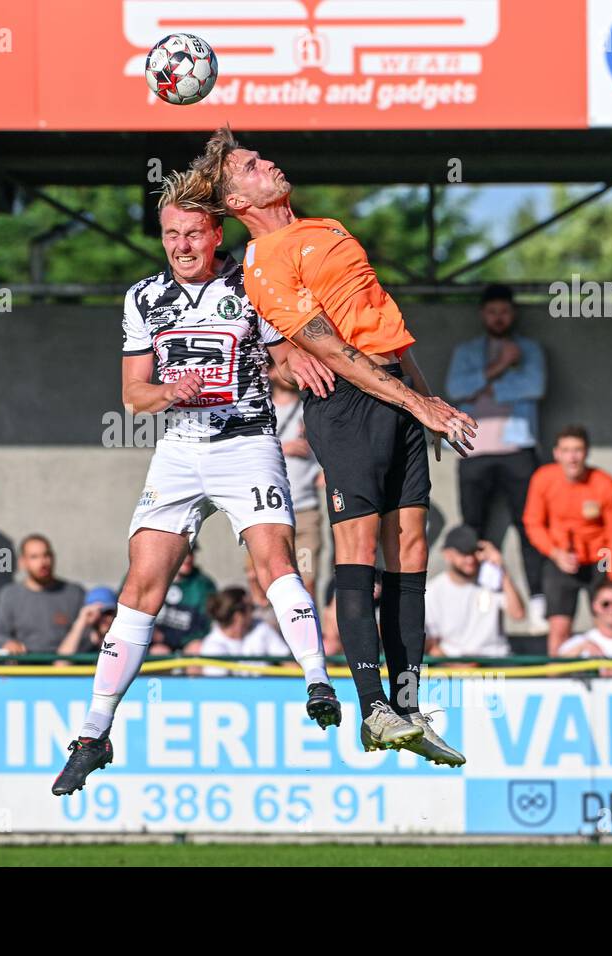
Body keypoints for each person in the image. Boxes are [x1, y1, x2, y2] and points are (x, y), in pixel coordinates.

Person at [190, 126, 476, 766]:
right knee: (360, 547)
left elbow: (385, 324)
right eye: (252, 165)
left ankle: (407, 706)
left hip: (396, 390)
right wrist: (412, 402)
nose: (269, 164)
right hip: (349, 407)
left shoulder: (328, 227)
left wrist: (426, 398)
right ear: (237, 201)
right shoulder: (264, 263)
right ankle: (372, 704)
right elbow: (331, 350)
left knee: (411, 548)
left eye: (262, 157)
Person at [52, 172, 342, 797]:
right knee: (140, 585)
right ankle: (94, 732)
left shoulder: (251, 284)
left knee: (274, 561)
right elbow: (133, 395)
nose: (181, 245)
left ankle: (318, 679)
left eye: (192, 233)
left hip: (246, 444)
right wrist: (166, 392)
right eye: (170, 235)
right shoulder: (143, 297)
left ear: (216, 234)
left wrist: (304, 360)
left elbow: (282, 356)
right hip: (180, 450)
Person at [444, 283, 548, 633]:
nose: (498, 318)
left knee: (529, 527)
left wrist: (487, 385)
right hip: (473, 450)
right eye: (492, 312)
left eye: (504, 311)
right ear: (482, 315)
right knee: (473, 530)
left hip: (517, 447)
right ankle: (480, 598)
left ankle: (537, 601)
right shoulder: (467, 350)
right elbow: (455, 389)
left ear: (513, 313)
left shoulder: (530, 348)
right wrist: (502, 366)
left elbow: (535, 386)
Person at [523, 424, 612, 655]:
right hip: (562, 556)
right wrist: (554, 552)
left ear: (587, 452)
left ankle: (609, 674)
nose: (572, 457)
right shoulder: (543, 479)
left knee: (607, 621)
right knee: (559, 627)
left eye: (578, 450)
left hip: (600, 557)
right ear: (556, 453)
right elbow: (533, 523)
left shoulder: (604, 483)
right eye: (566, 450)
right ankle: (556, 677)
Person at [246, 362, 324, 602]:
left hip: (305, 509)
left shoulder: (311, 411)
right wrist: (282, 446)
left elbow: (329, 449)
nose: (290, 371)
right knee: (258, 579)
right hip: (266, 508)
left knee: (306, 578)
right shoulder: (257, 409)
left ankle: (305, 635)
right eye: (282, 365)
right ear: (268, 371)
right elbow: (244, 452)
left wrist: (325, 471)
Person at [425, 525, 523, 661]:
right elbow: (430, 644)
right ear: (447, 554)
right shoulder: (432, 591)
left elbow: (518, 614)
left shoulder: (492, 579)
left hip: (495, 659)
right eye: (463, 553)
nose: (470, 560)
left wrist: (501, 569)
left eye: (473, 552)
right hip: (452, 664)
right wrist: (457, 667)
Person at [0, 534, 84, 656]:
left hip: (67, 669)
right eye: (34, 557)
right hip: (24, 668)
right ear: (22, 562)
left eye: (46, 555)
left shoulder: (74, 593)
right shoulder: (9, 595)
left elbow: (88, 637)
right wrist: (8, 644)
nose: (43, 562)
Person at [198, 587, 291, 676]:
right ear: (238, 616)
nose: (254, 611)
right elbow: (220, 688)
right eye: (251, 607)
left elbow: (289, 664)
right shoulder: (212, 647)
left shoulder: (261, 628)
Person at [152, 547, 216, 654]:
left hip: (188, 642)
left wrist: (172, 638)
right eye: (183, 553)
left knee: (197, 648)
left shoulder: (203, 585)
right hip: (156, 644)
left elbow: (205, 626)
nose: (188, 559)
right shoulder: (152, 576)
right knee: (158, 652)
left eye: (191, 553)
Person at [57, 586, 119, 661]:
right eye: (98, 613)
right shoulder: (80, 641)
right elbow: (61, 664)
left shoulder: (121, 641)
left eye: (108, 612)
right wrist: (81, 621)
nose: (103, 618)